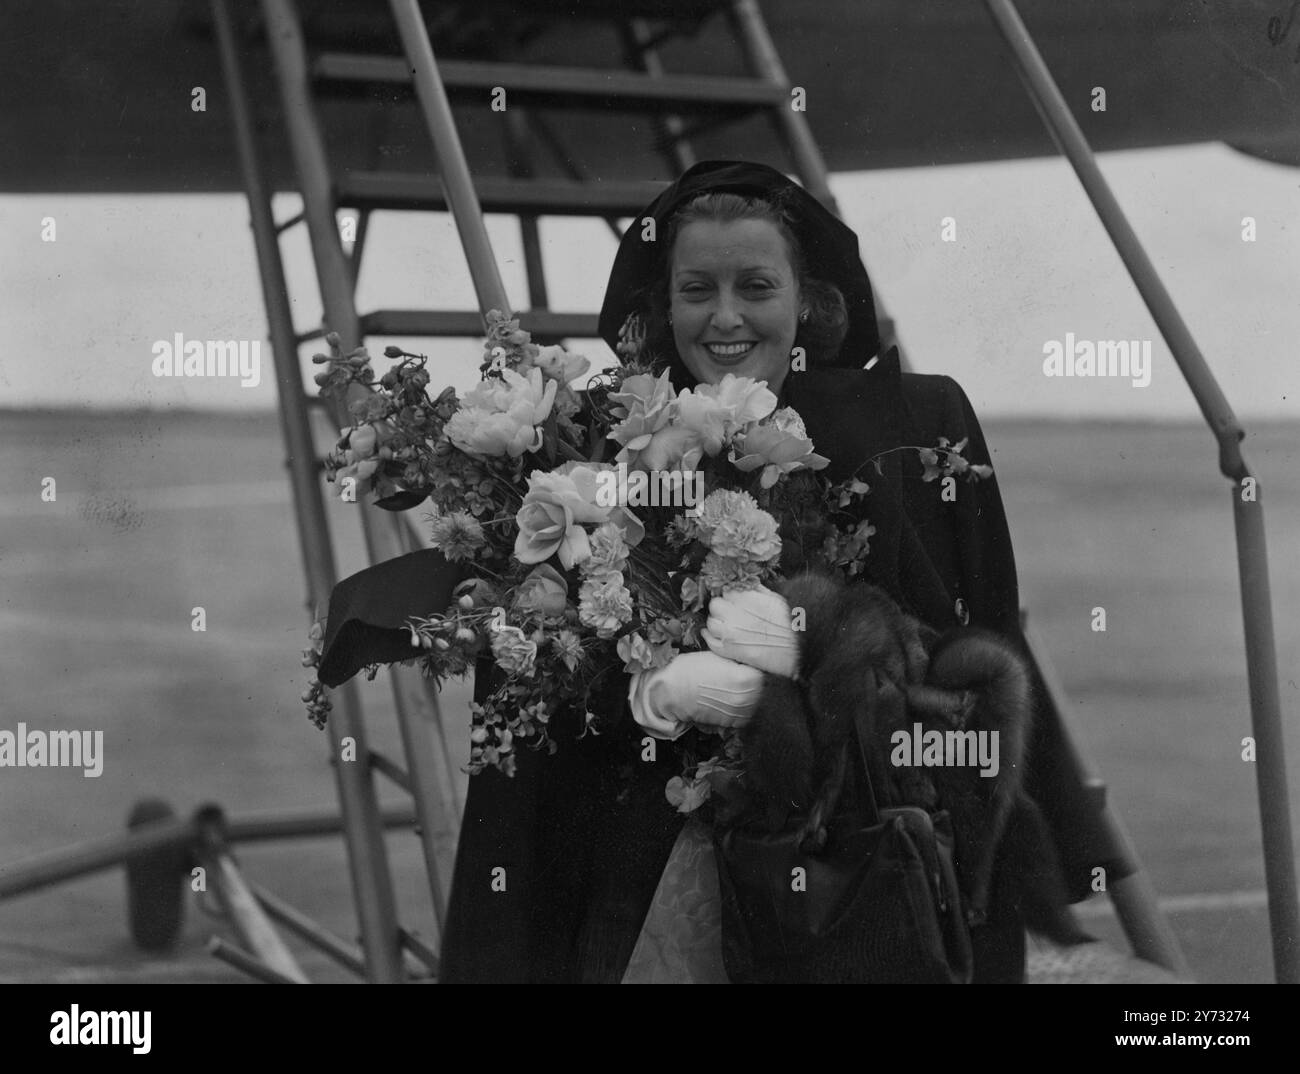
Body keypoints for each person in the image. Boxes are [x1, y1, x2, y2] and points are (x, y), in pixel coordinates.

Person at [317, 159, 1096, 984]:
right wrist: (645, 688)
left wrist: (806, 661)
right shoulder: (598, 451)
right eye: (697, 290)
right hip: (662, 899)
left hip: (858, 890)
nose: (725, 318)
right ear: (664, 307)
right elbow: (553, 743)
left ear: (809, 300)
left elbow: (976, 660)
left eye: (756, 286)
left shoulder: (916, 423)